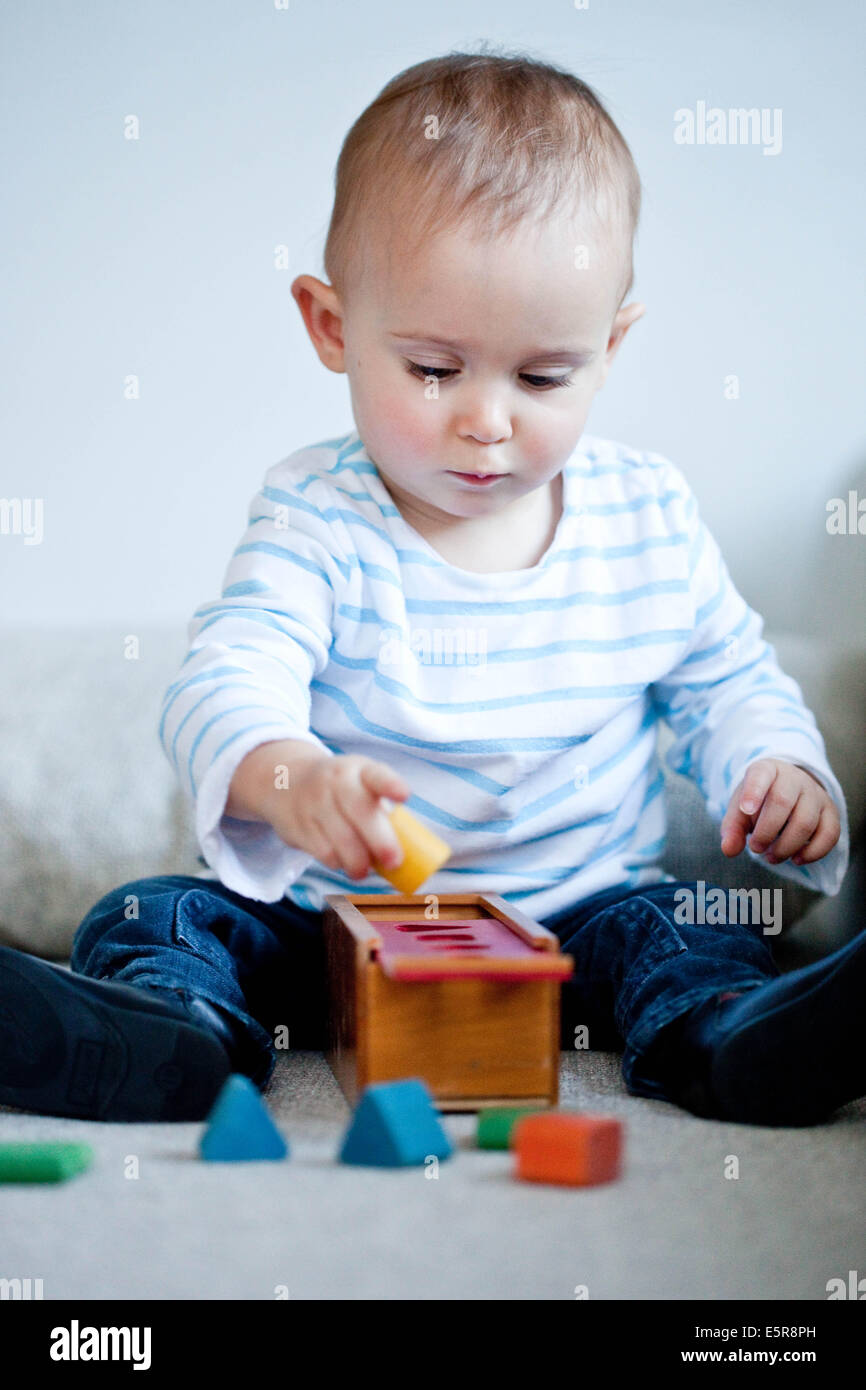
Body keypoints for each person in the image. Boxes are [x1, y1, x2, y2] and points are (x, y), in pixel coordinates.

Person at [2, 50, 862, 1127]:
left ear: (610, 345)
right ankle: (173, 1035)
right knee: (155, 912)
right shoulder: (317, 513)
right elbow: (227, 674)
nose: (486, 420)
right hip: (333, 931)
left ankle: (728, 1039)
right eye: (433, 369)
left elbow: (725, 677)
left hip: (576, 932)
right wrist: (292, 780)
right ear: (332, 327)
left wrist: (773, 764)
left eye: (543, 375)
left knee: (689, 926)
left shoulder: (646, 515)